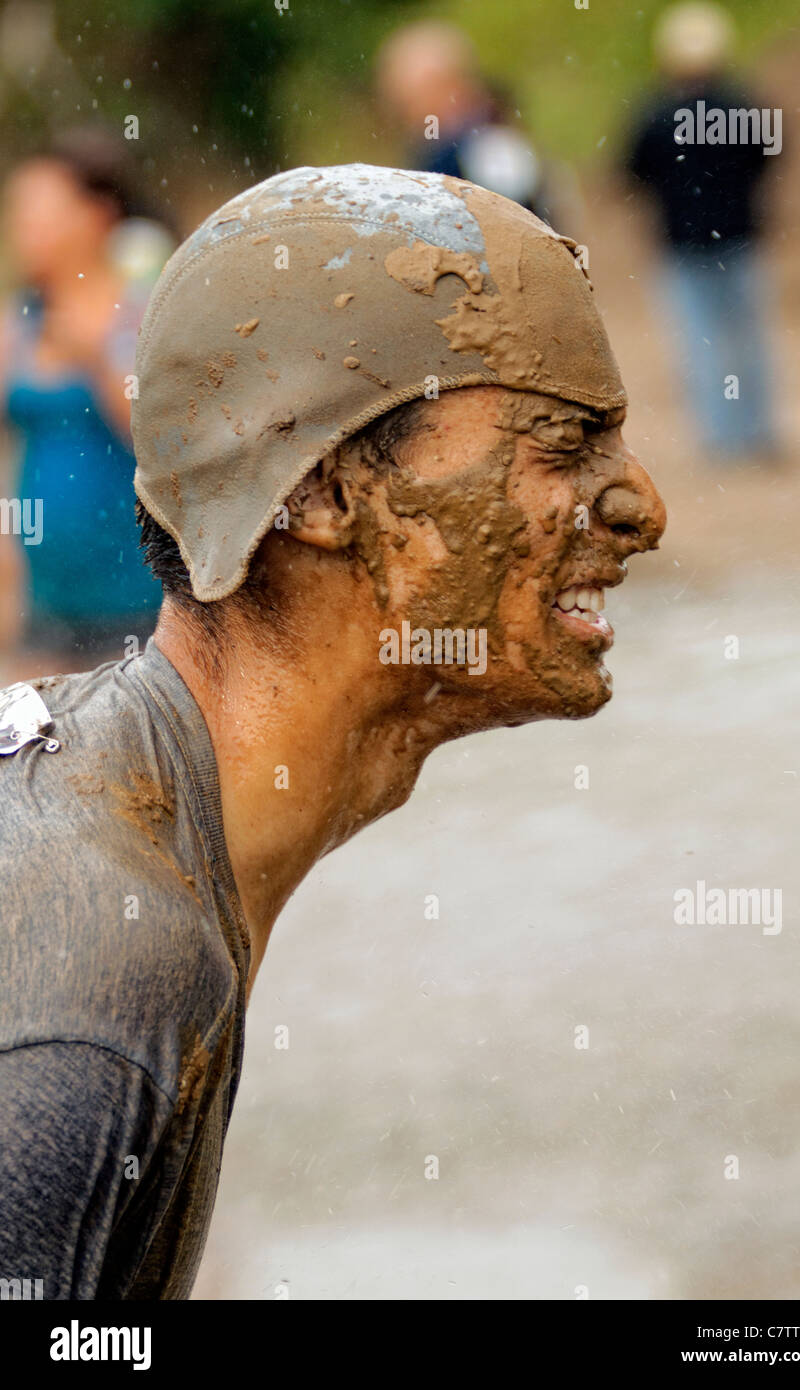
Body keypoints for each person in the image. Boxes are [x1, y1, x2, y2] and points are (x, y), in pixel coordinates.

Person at [0, 163, 665, 1299]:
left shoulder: (127, 834)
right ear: (316, 492)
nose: (641, 508)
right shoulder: (97, 994)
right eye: (562, 445)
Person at [0, 127, 164, 683]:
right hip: (42, 605)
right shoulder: (15, 323)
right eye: (16, 209)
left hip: (142, 599)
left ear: (96, 215)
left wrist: (96, 360)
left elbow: (163, 443)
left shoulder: (144, 313)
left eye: (39, 209)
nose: (22, 226)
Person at [624, 2, 780, 461]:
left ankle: (720, 436)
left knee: (701, 343)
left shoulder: (655, 115)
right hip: (740, 239)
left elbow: (633, 172)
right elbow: (768, 159)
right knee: (748, 339)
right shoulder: (742, 108)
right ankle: (757, 431)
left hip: (682, 245)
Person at [376, 21, 547, 215]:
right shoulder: (436, 147)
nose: (408, 113)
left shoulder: (491, 145)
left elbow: (516, 223)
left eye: (412, 98)